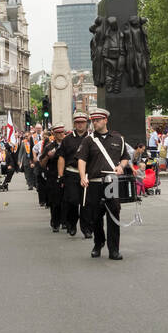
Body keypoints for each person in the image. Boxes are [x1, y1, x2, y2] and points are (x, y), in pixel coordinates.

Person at [77, 108, 129, 259]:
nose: (94, 122)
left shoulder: (118, 138)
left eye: (97, 120)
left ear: (105, 120)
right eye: (93, 120)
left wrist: (121, 166)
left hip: (111, 182)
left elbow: (125, 157)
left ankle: (114, 249)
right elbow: (82, 159)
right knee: (95, 216)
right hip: (94, 182)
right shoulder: (88, 140)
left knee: (113, 215)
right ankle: (98, 243)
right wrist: (82, 176)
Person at [59, 111, 92, 238]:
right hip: (72, 173)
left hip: (88, 174)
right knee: (72, 201)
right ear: (74, 123)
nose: (80, 125)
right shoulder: (67, 139)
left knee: (86, 203)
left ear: (86, 123)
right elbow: (61, 158)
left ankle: (86, 229)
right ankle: (72, 224)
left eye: (82, 122)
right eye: (77, 122)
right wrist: (60, 175)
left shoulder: (92, 138)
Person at [39, 124, 65, 232]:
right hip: (53, 176)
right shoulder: (49, 147)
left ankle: (66, 221)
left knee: (67, 200)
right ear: (54, 134)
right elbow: (42, 164)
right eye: (58, 133)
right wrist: (47, 156)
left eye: (62, 132)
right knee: (55, 201)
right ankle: (55, 222)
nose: (61, 135)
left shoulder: (67, 145)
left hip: (66, 175)